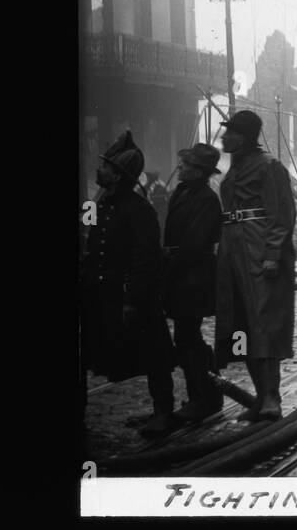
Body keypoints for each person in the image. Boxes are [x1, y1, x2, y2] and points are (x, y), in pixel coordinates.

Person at [80, 130, 176, 438]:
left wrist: (132, 299)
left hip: (131, 298)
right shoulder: (99, 205)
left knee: (154, 354)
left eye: (106, 166)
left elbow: (146, 260)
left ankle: (163, 412)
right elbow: (88, 244)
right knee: (88, 353)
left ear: (118, 174)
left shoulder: (140, 209)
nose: (101, 170)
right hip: (100, 295)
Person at [214, 109, 296, 423]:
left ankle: (272, 397)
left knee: (265, 321)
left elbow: (282, 214)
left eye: (230, 132)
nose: (224, 137)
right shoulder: (234, 169)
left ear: (244, 137)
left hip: (258, 248)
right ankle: (259, 397)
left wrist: (273, 254)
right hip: (233, 249)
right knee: (241, 323)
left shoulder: (269, 167)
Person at [163, 143, 224, 423]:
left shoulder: (207, 199)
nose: (181, 168)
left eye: (187, 165)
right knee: (186, 337)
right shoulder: (181, 193)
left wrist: (170, 267)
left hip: (194, 276)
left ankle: (205, 397)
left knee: (188, 336)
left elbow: (194, 243)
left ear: (199, 172)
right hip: (181, 274)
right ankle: (203, 395)